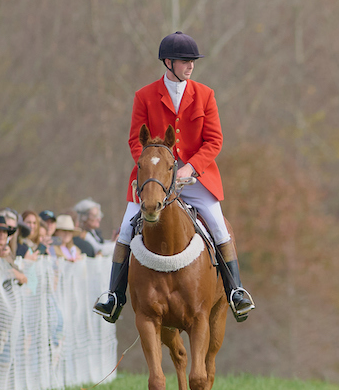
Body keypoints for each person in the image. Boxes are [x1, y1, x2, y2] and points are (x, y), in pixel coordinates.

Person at [94, 31, 253, 323]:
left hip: (195, 179)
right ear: (168, 62)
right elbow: (135, 141)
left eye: (193, 61)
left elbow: (214, 141)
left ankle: (235, 292)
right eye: (184, 61)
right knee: (126, 229)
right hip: (154, 182)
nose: (190, 66)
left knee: (219, 226)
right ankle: (114, 296)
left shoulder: (205, 94)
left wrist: (190, 167)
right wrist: (152, 170)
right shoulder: (144, 96)